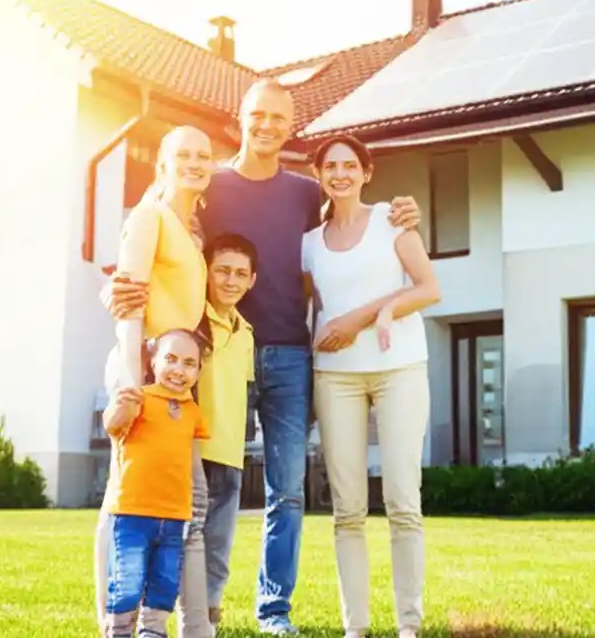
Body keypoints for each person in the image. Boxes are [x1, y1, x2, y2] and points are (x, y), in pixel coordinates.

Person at [104, 79, 421, 635]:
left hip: (291, 354)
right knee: (217, 485)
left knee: (288, 491)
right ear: (241, 120)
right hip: (222, 352)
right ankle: (206, 606)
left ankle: (274, 610)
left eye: (279, 117)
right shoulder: (210, 183)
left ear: (290, 125)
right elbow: (157, 229)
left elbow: (349, 222)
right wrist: (113, 287)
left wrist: (404, 208)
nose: (268, 125)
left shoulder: (305, 193)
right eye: (259, 115)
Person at [302, 135, 439, 638]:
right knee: (348, 510)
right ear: (319, 175)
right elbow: (307, 308)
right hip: (335, 376)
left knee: (403, 502)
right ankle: (354, 629)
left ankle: (408, 627)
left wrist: (364, 317)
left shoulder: (391, 219)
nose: (339, 174)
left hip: (399, 368)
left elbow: (429, 288)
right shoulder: (309, 244)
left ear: (366, 172)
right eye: (330, 166)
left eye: (349, 165)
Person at [95, 125, 216, 638]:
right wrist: (132, 383)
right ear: (163, 163)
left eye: (203, 155)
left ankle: (177, 625)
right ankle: (111, 624)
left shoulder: (191, 231)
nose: (195, 162)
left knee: (182, 502)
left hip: (172, 382)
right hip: (142, 375)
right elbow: (129, 300)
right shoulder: (149, 216)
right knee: (122, 504)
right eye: (183, 154)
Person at [100, 328, 212, 638]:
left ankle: (153, 631)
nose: (179, 370)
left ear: (199, 371)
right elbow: (112, 426)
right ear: (153, 361)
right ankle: (119, 630)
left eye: (189, 363)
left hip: (174, 517)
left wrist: (194, 509)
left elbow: (188, 461)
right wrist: (120, 407)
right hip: (132, 514)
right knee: (128, 579)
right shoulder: (140, 398)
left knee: (164, 583)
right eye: (171, 359)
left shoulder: (193, 413)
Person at [195, 233, 259, 634]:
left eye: (239, 273)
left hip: (231, 455)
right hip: (193, 451)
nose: (230, 280)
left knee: (218, 547)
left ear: (252, 280)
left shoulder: (246, 331)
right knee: (184, 542)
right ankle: (169, 618)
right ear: (206, 272)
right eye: (222, 271)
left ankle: (208, 619)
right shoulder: (193, 319)